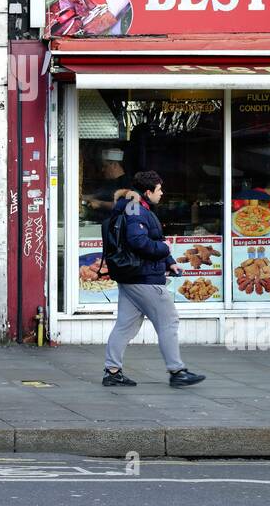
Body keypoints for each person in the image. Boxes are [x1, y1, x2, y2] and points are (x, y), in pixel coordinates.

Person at [100, 171, 205, 389]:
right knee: (169, 321)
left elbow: (151, 239)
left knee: (125, 325)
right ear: (148, 192)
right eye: (159, 189)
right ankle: (177, 371)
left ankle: (112, 372)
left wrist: (169, 261)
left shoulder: (131, 206)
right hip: (144, 277)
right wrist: (163, 249)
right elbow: (139, 242)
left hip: (130, 275)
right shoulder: (137, 210)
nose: (162, 193)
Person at [80, 148, 132, 223]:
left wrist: (99, 204)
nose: (103, 170)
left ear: (114, 165)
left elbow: (124, 205)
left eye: (105, 166)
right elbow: (98, 195)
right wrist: (83, 197)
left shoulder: (126, 183)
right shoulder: (108, 182)